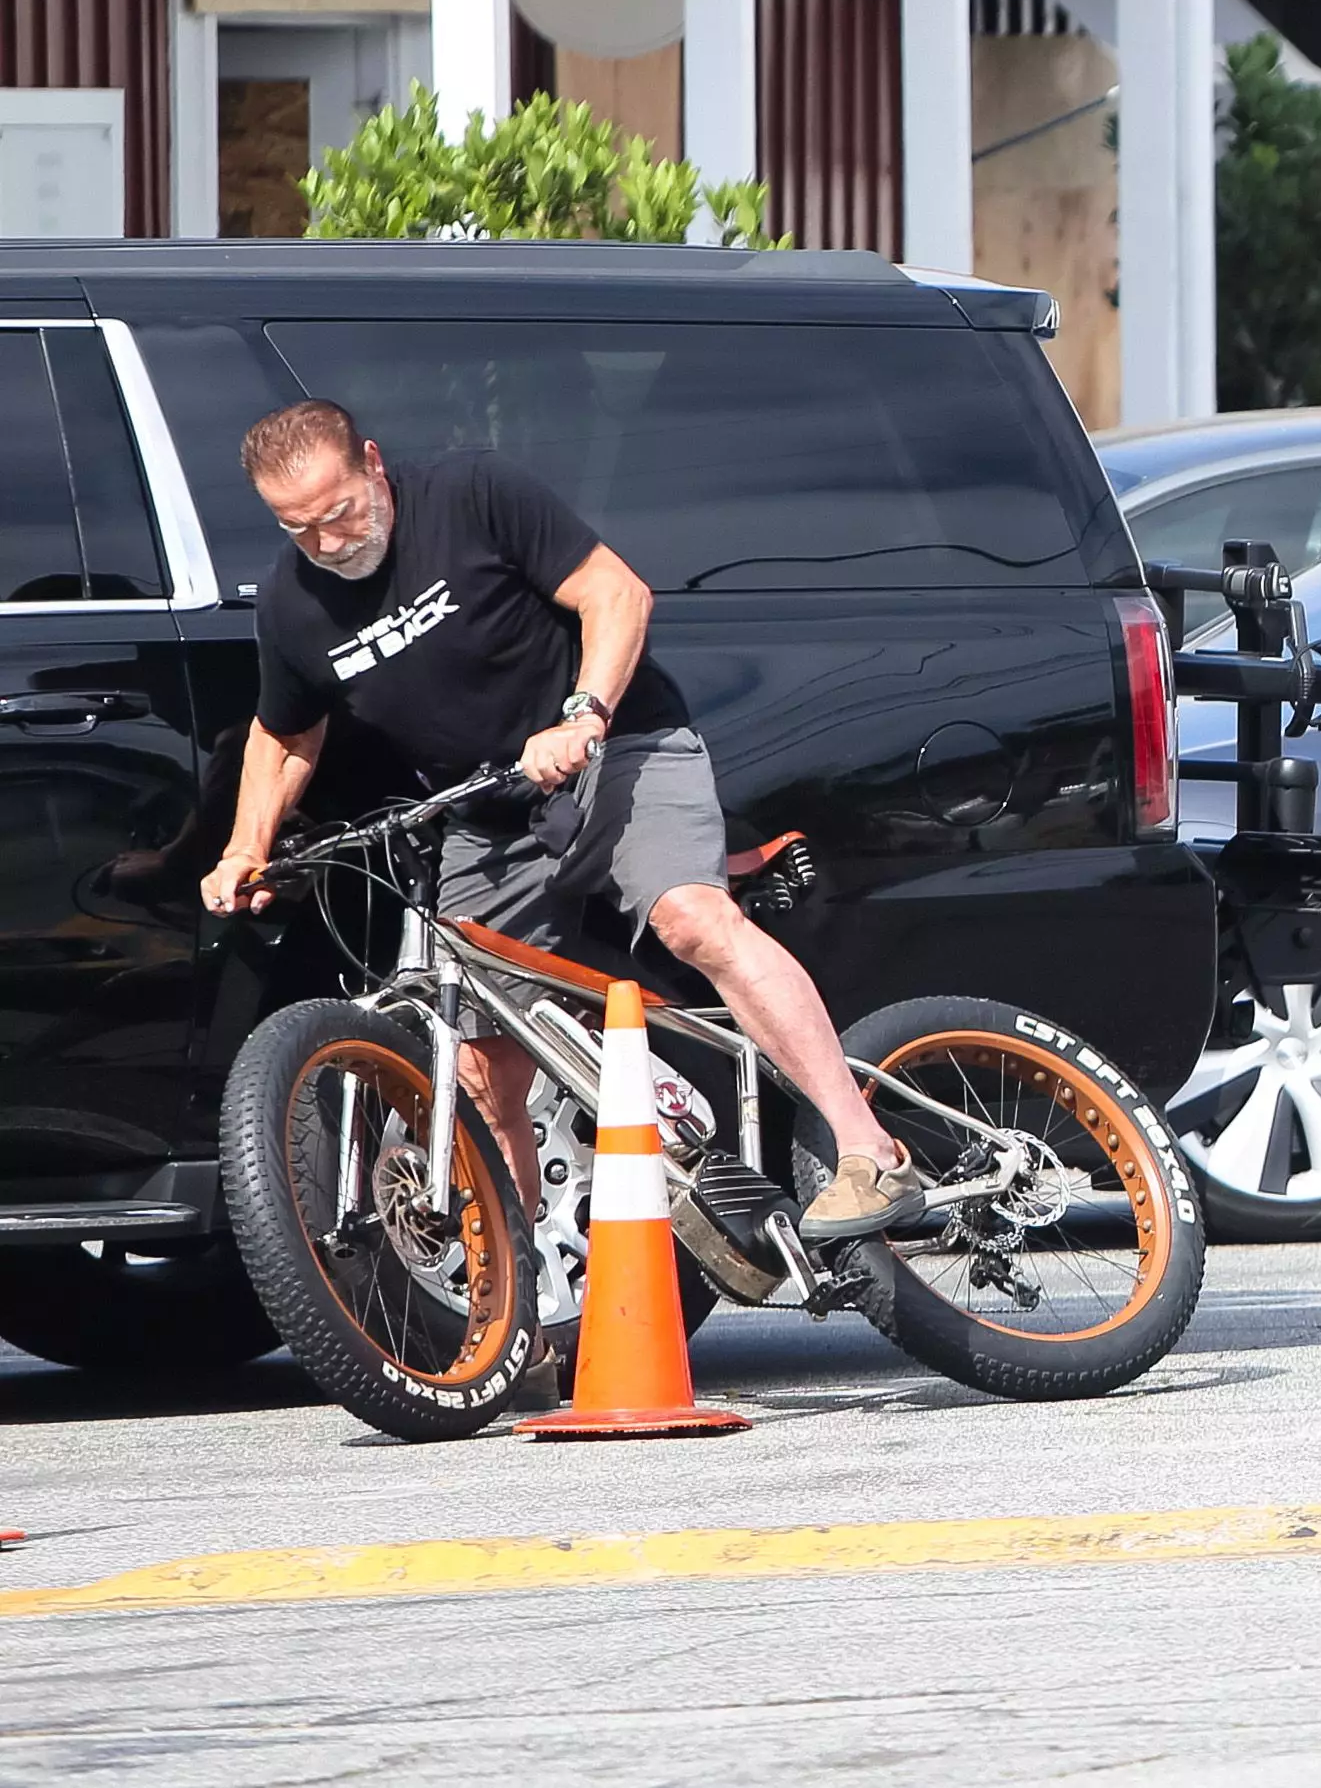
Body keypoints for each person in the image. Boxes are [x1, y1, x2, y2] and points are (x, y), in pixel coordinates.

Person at [198, 400, 922, 1244]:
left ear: (372, 462)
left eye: (342, 512)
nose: (330, 541)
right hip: (487, 811)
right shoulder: (292, 604)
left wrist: (583, 713)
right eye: (301, 527)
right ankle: (517, 1308)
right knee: (475, 1057)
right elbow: (285, 734)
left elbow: (615, 593)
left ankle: (870, 1152)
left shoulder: (474, 495)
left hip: (621, 749)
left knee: (692, 919)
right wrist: (245, 847)